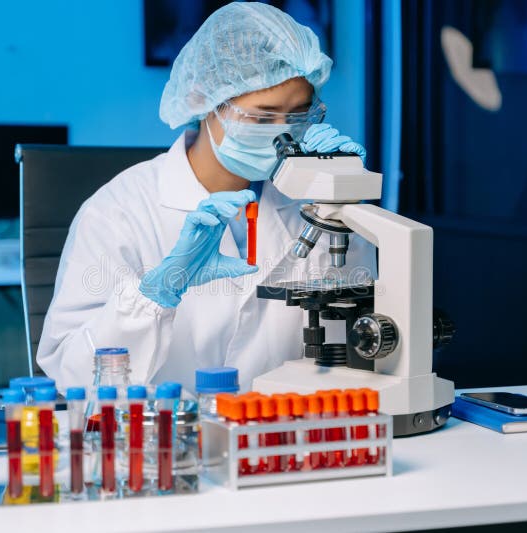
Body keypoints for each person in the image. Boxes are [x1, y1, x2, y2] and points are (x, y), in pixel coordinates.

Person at [38, 2, 375, 390]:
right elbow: (71, 371)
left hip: (288, 421)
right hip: (172, 424)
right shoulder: (118, 211)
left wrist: (345, 203)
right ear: (203, 100)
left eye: (298, 114)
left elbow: (363, 334)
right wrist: (153, 297)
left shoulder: (314, 202)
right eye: (262, 117)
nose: (283, 134)